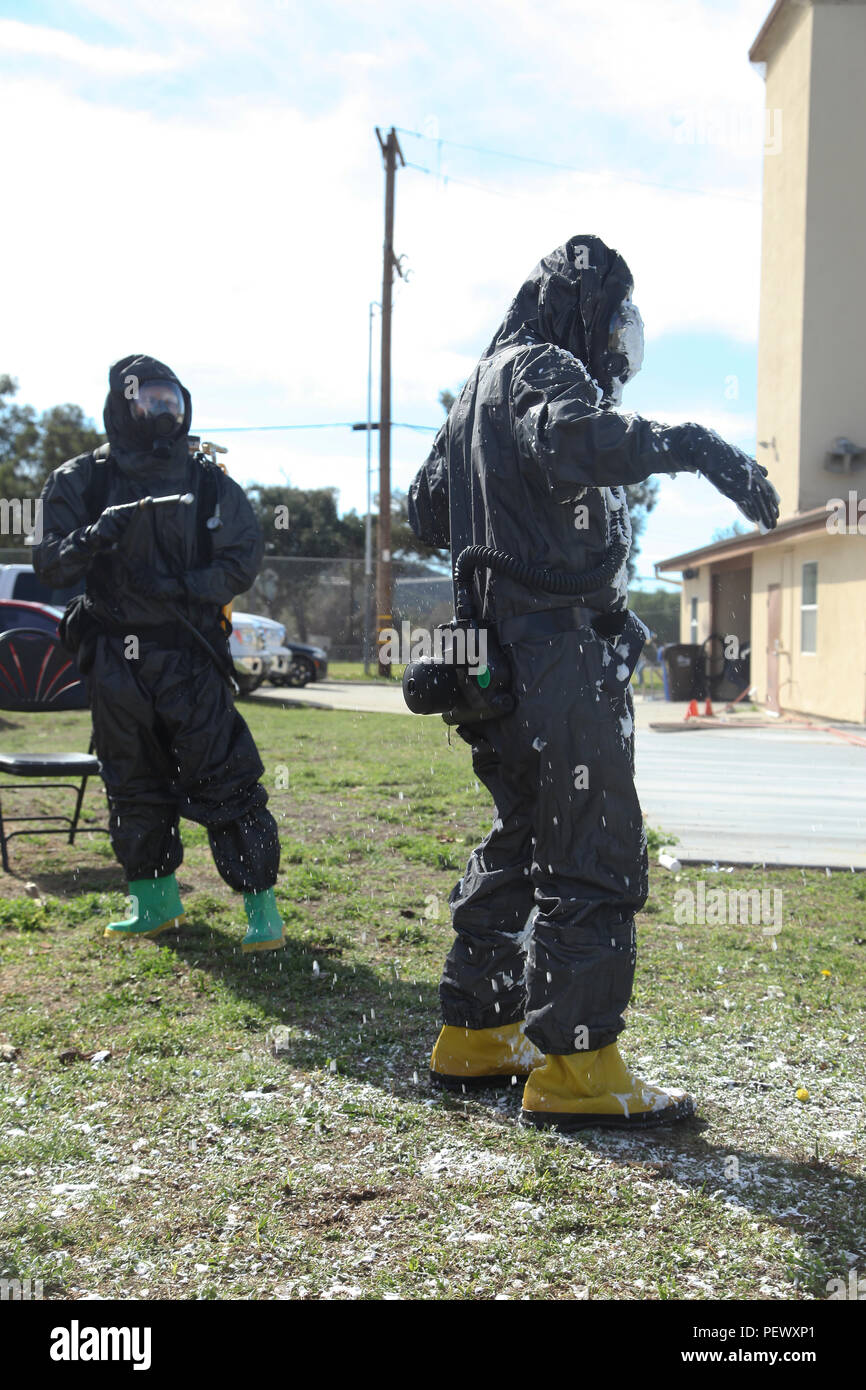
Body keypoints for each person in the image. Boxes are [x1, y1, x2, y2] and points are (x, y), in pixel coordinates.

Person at [408, 235, 779, 1130]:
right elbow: (574, 439)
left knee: (525, 832)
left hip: (496, 660)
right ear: (584, 312)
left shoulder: (474, 391)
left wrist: (520, 529)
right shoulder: (543, 365)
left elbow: (427, 506)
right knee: (593, 845)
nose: (621, 344)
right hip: (555, 658)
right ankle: (579, 1069)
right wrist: (695, 445)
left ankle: (478, 1030)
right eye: (617, 320)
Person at [33, 354, 284, 952]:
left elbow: (241, 558)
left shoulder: (207, 480)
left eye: (171, 399)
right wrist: (96, 535)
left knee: (227, 774)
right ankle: (154, 903)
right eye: (149, 401)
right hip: (116, 657)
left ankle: (261, 911)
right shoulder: (80, 480)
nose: (163, 411)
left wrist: (185, 587)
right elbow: (47, 562)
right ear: (123, 406)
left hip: (188, 653)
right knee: (131, 779)